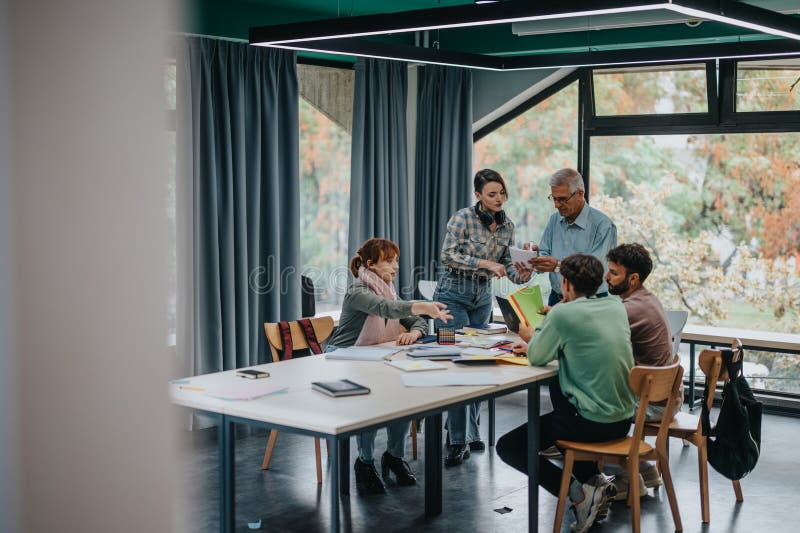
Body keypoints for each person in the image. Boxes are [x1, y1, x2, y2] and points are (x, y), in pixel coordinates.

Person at [496, 254, 636, 533]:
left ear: (566, 284)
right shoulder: (615, 305)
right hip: (623, 419)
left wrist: (529, 335)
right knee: (560, 413)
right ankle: (595, 484)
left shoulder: (562, 313)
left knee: (510, 446)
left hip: (590, 423)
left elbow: (536, 356)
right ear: (599, 282)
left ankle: (578, 496)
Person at [327, 238, 453, 494]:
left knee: (405, 395)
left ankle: (394, 456)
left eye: (396, 260)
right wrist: (422, 306)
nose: (395, 266)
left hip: (376, 355)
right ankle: (364, 462)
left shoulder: (389, 290)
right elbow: (386, 309)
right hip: (342, 357)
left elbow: (414, 320)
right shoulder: (358, 292)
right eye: (389, 260)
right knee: (370, 403)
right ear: (371, 264)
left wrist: (415, 334)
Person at [433, 168, 532, 467]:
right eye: (492, 194)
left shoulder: (508, 226)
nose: (499, 198)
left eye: (502, 192)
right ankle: (458, 439)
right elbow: (447, 255)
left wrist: (523, 271)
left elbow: (507, 269)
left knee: (478, 361)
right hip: (451, 295)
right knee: (457, 360)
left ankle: (468, 431)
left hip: (482, 299)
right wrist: (484, 262)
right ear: (478, 196)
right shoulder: (462, 218)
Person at [605, 242, 682, 499]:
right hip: (664, 397)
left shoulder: (630, 308)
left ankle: (627, 475)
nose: (607, 276)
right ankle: (644, 470)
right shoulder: (646, 299)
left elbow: (596, 332)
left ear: (633, 278)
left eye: (614, 272)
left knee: (590, 413)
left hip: (653, 403)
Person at [528, 168, 617, 307]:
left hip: (591, 301)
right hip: (556, 298)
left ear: (580, 194)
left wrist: (558, 265)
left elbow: (597, 271)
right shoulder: (554, 220)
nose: (557, 205)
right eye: (554, 198)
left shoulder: (603, 226)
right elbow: (545, 252)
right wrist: (533, 257)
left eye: (562, 199)